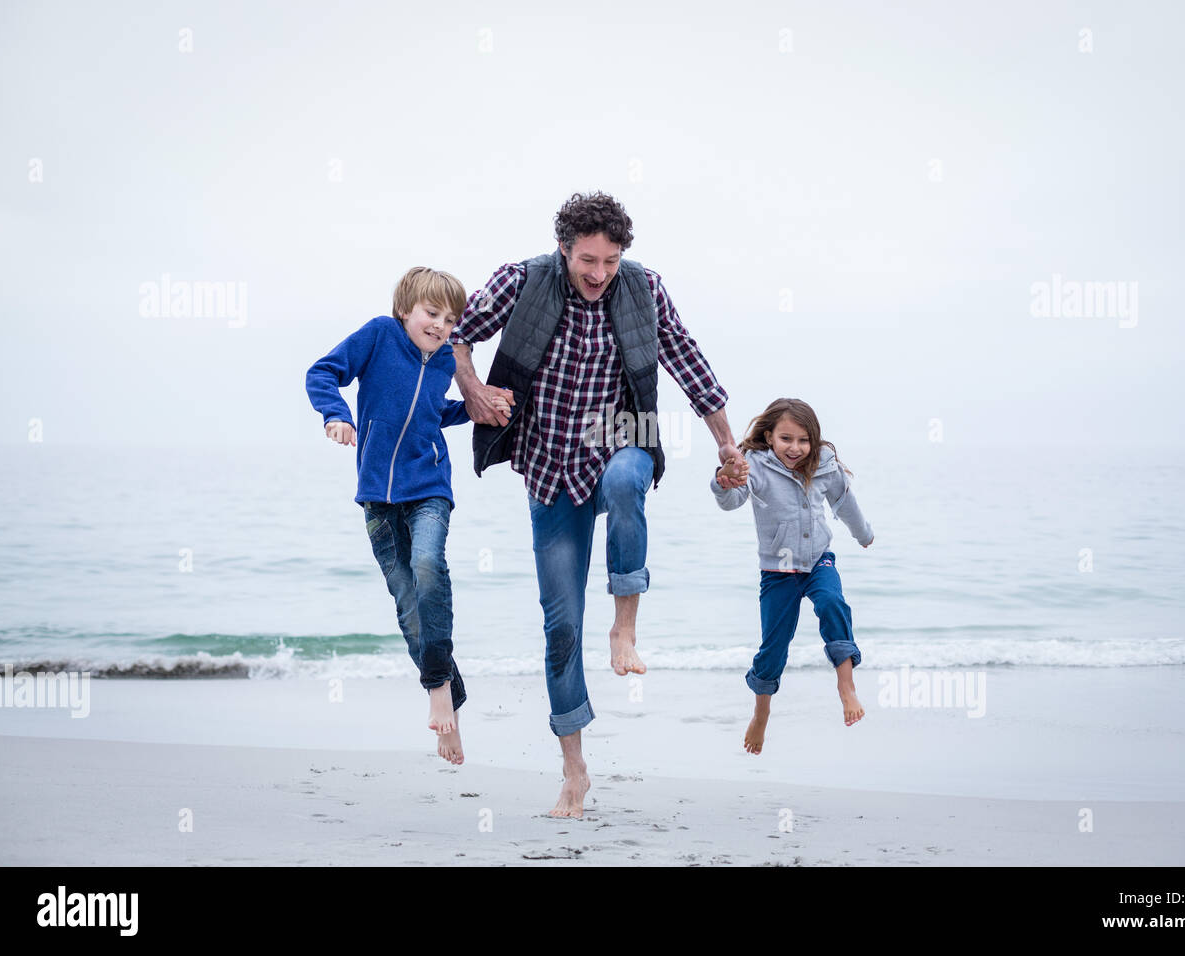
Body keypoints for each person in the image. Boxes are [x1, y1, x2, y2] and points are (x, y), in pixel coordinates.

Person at [450, 191, 748, 817]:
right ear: (564, 248)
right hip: (548, 462)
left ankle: (625, 626)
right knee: (560, 628)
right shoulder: (520, 280)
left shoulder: (643, 288)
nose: (599, 274)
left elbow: (688, 362)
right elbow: (459, 336)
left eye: (610, 261)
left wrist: (726, 445)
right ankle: (574, 770)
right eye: (588, 259)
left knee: (622, 483)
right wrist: (472, 389)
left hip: (622, 437)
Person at [305, 266, 511, 765]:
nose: (441, 326)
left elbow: (431, 412)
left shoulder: (444, 360)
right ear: (405, 310)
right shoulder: (379, 336)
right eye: (431, 313)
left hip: (429, 487)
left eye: (449, 318)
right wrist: (337, 414)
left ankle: (436, 689)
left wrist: (475, 408)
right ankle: (449, 700)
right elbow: (322, 372)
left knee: (427, 567)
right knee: (405, 599)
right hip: (377, 494)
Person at [711, 398, 874, 755]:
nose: (795, 448)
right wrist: (724, 482)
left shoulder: (823, 466)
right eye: (786, 439)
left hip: (818, 561)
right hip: (777, 572)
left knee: (833, 603)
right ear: (768, 436)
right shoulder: (753, 465)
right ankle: (761, 713)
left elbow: (845, 503)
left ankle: (846, 686)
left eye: (803, 440)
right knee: (773, 648)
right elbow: (732, 499)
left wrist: (863, 534)